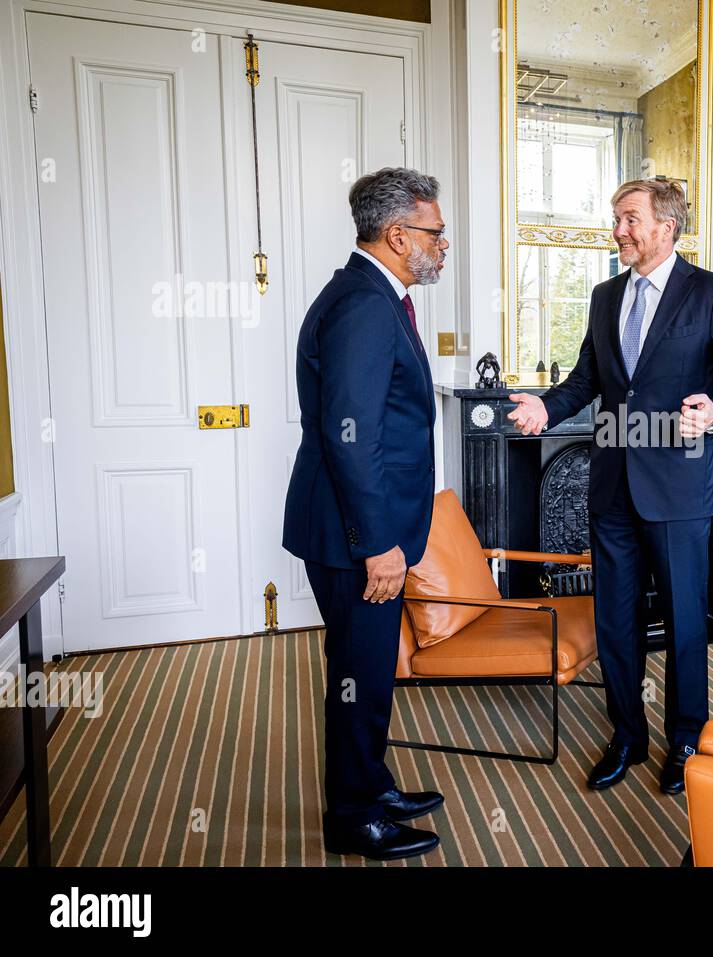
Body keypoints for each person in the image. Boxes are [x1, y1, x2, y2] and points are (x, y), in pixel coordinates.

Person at [507, 179, 713, 795]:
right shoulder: (603, 297)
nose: (618, 230)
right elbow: (587, 381)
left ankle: (686, 740)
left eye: (629, 218)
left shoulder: (710, 294)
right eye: (616, 218)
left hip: (679, 489)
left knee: (683, 623)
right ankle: (626, 735)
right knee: (615, 622)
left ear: (666, 226)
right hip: (612, 487)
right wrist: (548, 408)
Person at [283, 167, 447, 861]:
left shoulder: (377, 295)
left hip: (360, 530)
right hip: (357, 537)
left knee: (370, 671)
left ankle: (371, 782)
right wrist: (378, 543)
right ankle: (353, 816)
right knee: (358, 672)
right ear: (397, 233)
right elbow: (352, 435)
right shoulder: (364, 305)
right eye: (436, 233)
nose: (444, 245)